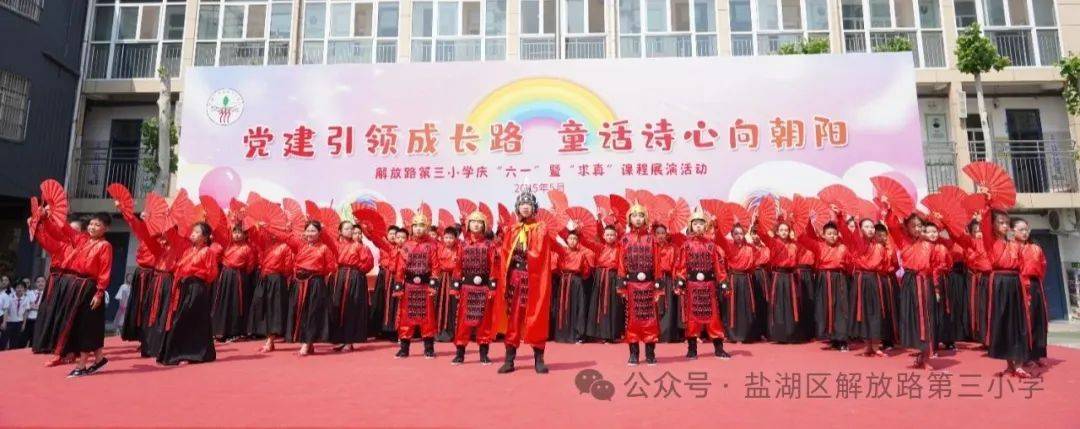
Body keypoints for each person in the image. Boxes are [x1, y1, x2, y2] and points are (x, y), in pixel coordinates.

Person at [45, 212, 112, 378]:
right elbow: (65, 229)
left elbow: (105, 271)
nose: (92, 227)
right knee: (81, 324)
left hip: (90, 287)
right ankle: (99, 359)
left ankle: (81, 366)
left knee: (86, 326)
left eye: (97, 225)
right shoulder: (83, 240)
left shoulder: (105, 246)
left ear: (106, 228)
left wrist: (99, 293)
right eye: (91, 224)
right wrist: (48, 217)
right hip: (77, 286)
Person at [495, 188, 555, 374]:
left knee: (535, 317)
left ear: (534, 207)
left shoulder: (541, 228)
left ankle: (539, 359)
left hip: (533, 279)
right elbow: (505, 254)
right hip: (515, 278)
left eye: (529, 204)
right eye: (522, 204)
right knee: (513, 318)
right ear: (517, 208)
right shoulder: (512, 229)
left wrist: (526, 251)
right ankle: (509, 360)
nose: (526, 207)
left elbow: (540, 253)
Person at [883, 204, 938, 369]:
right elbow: (892, 226)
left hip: (924, 281)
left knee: (926, 319)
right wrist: (890, 209)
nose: (917, 228)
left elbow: (935, 266)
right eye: (913, 225)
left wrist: (936, 287)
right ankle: (920, 354)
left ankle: (926, 356)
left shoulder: (929, 244)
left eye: (919, 225)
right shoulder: (902, 240)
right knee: (912, 318)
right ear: (906, 227)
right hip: (909, 282)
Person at [158, 222, 219, 365]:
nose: (193, 234)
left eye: (197, 232)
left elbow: (212, 273)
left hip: (197, 288)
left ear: (205, 237)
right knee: (182, 319)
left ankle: (191, 354)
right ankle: (180, 352)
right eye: (193, 231)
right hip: (184, 287)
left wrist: (196, 273)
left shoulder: (207, 251)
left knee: (189, 320)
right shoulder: (188, 251)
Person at [674, 207, 731, 359]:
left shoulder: (711, 246)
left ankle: (719, 348)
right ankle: (692, 349)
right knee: (692, 319)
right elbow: (682, 266)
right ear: (691, 226)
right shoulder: (686, 246)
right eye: (695, 224)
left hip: (708, 286)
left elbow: (718, 266)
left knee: (713, 318)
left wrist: (724, 281)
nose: (698, 226)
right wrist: (680, 281)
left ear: (705, 226)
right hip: (692, 287)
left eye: (701, 223)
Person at [616, 201, 663, 366]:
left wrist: (658, 288)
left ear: (645, 218)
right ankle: (634, 354)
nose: (637, 219)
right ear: (630, 219)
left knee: (650, 320)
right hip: (632, 286)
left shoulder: (652, 240)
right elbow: (621, 263)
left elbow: (657, 264)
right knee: (633, 321)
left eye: (641, 215)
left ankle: (650, 353)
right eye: (634, 215)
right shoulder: (625, 239)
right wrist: (622, 286)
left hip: (649, 285)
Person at [450, 211, 500, 364]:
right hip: (467, 288)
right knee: (463, 322)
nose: (476, 225)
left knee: (484, 322)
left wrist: (492, 287)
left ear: (484, 225)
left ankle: (484, 354)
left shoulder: (490, 245)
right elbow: (458, 267)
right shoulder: (462, 245)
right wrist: (455, 287)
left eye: (479, 222)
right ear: (468, 225)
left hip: (483, 289)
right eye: (473, 222)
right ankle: (460, 353)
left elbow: (494, 268)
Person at [284, 221, 337, 356]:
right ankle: (309, 342)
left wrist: (317, 273)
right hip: (299, 283)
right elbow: (286, 238)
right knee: (300, 312)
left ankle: (306, 344)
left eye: (313, 231)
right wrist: (287, 229)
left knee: (312, 313)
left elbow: (331, 267)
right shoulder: (300, 245)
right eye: (308, 230)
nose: (310, 233)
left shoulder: (324, 248)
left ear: (319, 233)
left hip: (315, 284)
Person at [798, 220, 851, 351]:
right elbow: (803, 239)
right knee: (825, 308)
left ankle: (842, 339)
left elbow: (849, 264)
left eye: (834, 233)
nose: (832, 236)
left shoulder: (843, 248)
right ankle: (832, 338)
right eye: (829, 233)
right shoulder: (819, 246)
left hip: (839, 279)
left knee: (840, 308)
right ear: (823, 235)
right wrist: (802, 222)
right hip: (823, 278)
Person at [393, 212, 440, 358]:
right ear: (411, 228)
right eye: (415, 226)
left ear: (426, 228)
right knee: (406, 317)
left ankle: (429, 348)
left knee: (428, 318)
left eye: (421, 226)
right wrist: (399, 287)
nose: (418, 229)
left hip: (425, 286)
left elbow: (435, 267)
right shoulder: (406, 246)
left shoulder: (431, 245)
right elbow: (400, 268)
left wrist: (433, 285)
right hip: (409, 286)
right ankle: (404, 348)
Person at [839, 217, 886, 356]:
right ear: (860, 229)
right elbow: (846, 232)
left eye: (872, 227)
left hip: (875, 279)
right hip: (860, 280)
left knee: (875, 311)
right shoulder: (857, 243)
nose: (870, 229)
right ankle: (868, 345)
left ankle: (876, 346)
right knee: (863, 311)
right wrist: (840, 216)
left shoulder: (879, 246)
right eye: (866, 227)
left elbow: (885, 264)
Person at [247, 221, 295, 353]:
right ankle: (268, 339)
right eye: (271, 230)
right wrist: (257, 225)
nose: (273, 234)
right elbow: (253, 237)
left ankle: (270, 340)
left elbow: (288, 268)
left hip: (277, 280)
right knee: (262, 306)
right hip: (264, 278)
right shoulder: (265, 244)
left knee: (274, 309)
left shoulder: (285, 247)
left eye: (276, 231)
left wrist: (278, 276)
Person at [760, 221, 808, 344]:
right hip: (777, 276)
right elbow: (762, 235)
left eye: (786, 230)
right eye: (781, 230)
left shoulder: (794, 245)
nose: (784, 232)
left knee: (791, 304)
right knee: (778, 304)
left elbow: (798, 260)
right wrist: (758, 222)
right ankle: (779, 334)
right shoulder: (773, 242)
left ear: (789, 232)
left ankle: (792, 333)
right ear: (777, 231)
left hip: (790, 276)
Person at [329, 222, 375, 350]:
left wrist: (356, 267)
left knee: (351, 308)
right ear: (340, 231)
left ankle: (349, 341)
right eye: (347, 229)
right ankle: (341, 339)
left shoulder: (359, 246)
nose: (350, 231)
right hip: (340, 277)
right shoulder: (336, 244)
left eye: (351, 229)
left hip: (354, 277)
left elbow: (368, 264)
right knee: (338, 307)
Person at [211, 225, 258, 343]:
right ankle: (220, 331)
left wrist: (240, 275)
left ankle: (235, 332)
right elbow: (218, 257)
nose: (236, 235)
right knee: (223, 302)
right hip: (225, 276)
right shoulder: (228, 246)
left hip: (238, 277)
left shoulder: (247, 249)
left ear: (245, 235)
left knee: (236, 304)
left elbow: (250, 266)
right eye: (234, 232)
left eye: (239, 232)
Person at [716, 223, 761, 343]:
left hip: (746, 279)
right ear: (732, 235)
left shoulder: (750, 248)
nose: (739, 236)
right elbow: (719, 239)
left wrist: (757, 241)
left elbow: (756, 262)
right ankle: (732, 335)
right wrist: (716, 225)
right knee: (732, 306)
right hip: (733, 279)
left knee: (746, 305)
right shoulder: (729, 246)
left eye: (741, 233)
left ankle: (747, 334)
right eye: (736, 233)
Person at [1013, 218, 1047, 368]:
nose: (1024, 232)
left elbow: (1043, 266)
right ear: (1013, 231)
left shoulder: (1036, 248)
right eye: (1021, 229)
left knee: (1038, 319)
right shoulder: (1011, 247)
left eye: (1026, 229)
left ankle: (1037, 353)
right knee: (1026, 321)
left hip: (1036, 284)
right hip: (1020, 285)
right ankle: (1024, 356)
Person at [550, 229, 594, 344]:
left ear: (578, 241)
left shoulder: (582, 254)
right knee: (562, 307)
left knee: (577, 307)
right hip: (564, 281)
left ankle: (577, 334)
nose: (573, 241)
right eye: (570, 238)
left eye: (575, 239)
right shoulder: (562, 252)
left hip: (576, 281)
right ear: (567, 240)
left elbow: (586, 271)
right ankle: (562, 334)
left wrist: (578, 278)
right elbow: (556, 266)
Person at [585, 224, 623, 343]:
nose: (610, 237)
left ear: (616, 236)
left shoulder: (620, 247)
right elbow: (586, 243)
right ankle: (598, 333)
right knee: (598, 305)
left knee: (613, 305)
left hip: (613, 277)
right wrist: (579, 232)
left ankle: (611, 334)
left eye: (612, 235)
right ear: (603, 236)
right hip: (600, 277)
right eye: (607, 235)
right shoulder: (600, 247)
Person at [369, 226, 401, 340]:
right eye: (390, 233)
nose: (392, 236)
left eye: (395, 234)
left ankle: (393, 330)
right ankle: (380, 330)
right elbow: (374, 239)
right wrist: (367, 229)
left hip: (396, 277)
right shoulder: (384, 245)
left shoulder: (401, 248)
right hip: (383, 277)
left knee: (394, 303)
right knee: (380, 302)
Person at [655, 224, 683, 343]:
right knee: (657, 306)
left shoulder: (673, 247)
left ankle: (668, 335)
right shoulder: (652, 247)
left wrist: (676, 280)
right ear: (654, 234)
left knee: (669, 306)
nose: (661, 235)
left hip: (669, 279)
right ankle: (655, 334)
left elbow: (678, 264)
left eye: (663, 233)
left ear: (666, 234)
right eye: (658, 233)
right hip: (655, 279)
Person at [434, 226, 462, 342]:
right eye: (446, 237)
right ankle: (437, 331)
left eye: (451, 238)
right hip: (441, 279)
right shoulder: (439, 248)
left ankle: (450, 332)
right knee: (438, 304)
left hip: (453, 279)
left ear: (455, 239)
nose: (448, 240)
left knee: (452, 305)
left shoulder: (459, 249)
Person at [1, 282, 29, 349]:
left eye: (22, 287)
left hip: (19, 322)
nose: (20, 289)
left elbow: (26, 312)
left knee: (15, 342)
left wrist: (24, 324)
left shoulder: (26, 298)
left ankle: (12, 354)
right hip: (9, 322)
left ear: (24, 289)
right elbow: (6, 310)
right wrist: (4, 322)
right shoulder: (9, 296)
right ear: (14, 289)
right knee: (3, 341)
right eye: (18, 287)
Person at [22, 276, 44, 349]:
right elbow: (26, 305)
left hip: (39, 321)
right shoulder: (30, 293)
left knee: (33, 342)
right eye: (38, 282)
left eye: (42, 281)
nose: (40, 283)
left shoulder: (48, 294)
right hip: (28, 320)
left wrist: (36, 307)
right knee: (22, 341)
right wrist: (37, 307)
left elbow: (46, 308)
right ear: (35, 284)